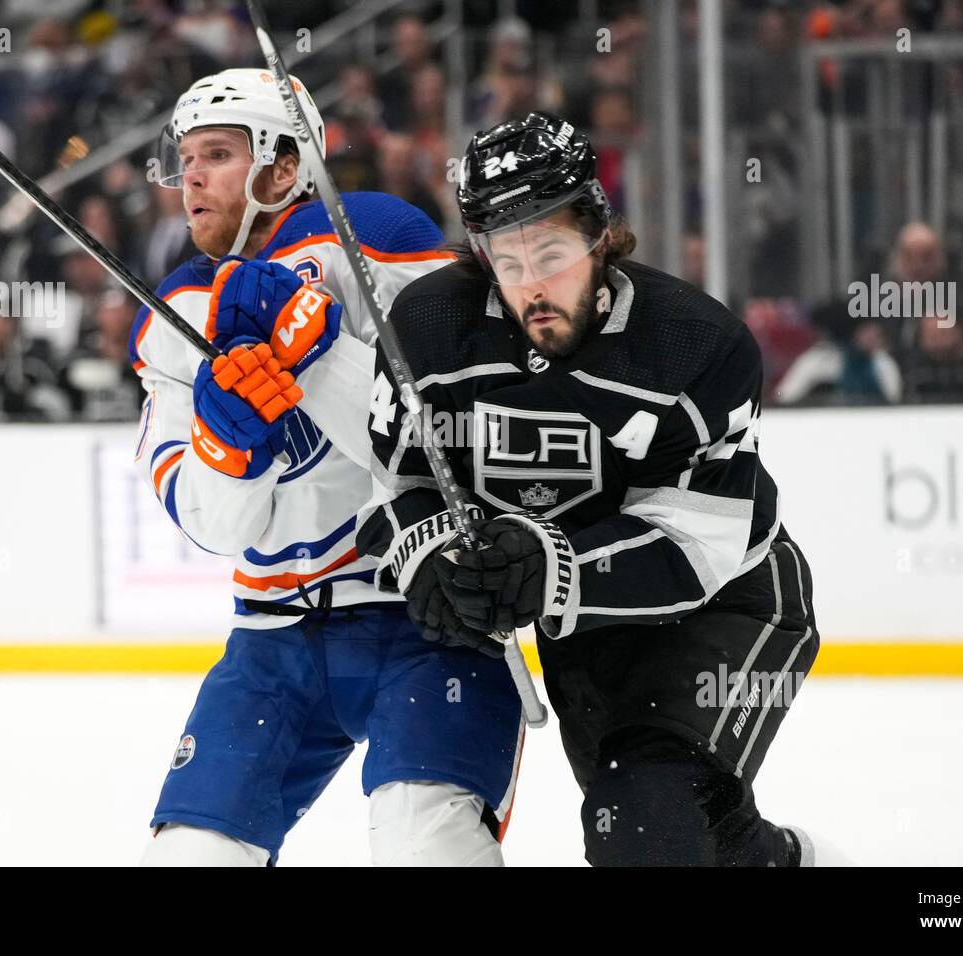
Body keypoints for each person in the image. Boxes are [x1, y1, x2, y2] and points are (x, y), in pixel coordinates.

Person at [359, 113, 841, 866]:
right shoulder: (427, 330)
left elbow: (702, 541)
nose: (532, 286)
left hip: (730, 609)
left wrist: (546, 564)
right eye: (507, 262)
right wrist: (428, 556)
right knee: (658, 828)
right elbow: (397, 484)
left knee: (647, 827)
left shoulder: (693, 342)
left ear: (599, 233)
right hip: (584, 629)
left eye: (550, 252)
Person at [132, 69, 524, 867]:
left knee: (428, 851)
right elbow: (223, 527)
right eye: (186, 159)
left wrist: (324, 354)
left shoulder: (370, 237)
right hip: (272, 642)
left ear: (284, 167)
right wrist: (230, 448)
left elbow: (462, 436)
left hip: (428, 618)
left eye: (217, 153)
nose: (192, 178)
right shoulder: (173, 318)